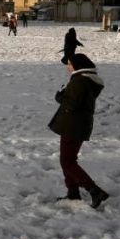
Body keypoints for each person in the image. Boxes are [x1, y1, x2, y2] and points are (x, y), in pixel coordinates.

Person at [48, 53, 110, 208]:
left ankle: (94, 190)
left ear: (78, 66)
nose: (68, 67)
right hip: (77, 125)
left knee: (67, 161)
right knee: (67, 160)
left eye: (70, 64)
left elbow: (71, 104)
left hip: (73, 126)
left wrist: (60, 96)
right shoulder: (86, 80)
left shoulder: (80, 81)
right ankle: (73, 193)